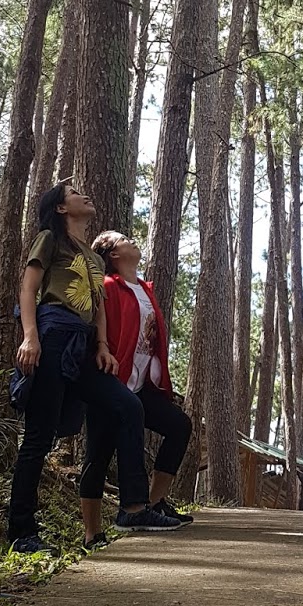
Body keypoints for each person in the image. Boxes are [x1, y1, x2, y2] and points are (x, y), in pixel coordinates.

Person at [6, 181, 183, 553]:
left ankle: (133, 508)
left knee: (128, 405)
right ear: (60, 208)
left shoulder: (92, 256)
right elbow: (28, 288)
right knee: (39, 438)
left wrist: (102, 346)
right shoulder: (49, 239)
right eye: (73, 193)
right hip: (53, 333)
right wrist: (30, 336)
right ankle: (22, 531)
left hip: (84, 346)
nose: (83, 194)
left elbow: (99, 305)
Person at [86, 230, 194, 536]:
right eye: (122, 239)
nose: (131, 240)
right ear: (113, 255)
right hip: (112, 380)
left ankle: (153, 503)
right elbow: (97, 327)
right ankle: (92, 533)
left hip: (142, 384)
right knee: (98, 453)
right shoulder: (108, 286)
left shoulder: (145, 290)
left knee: (179, 425)